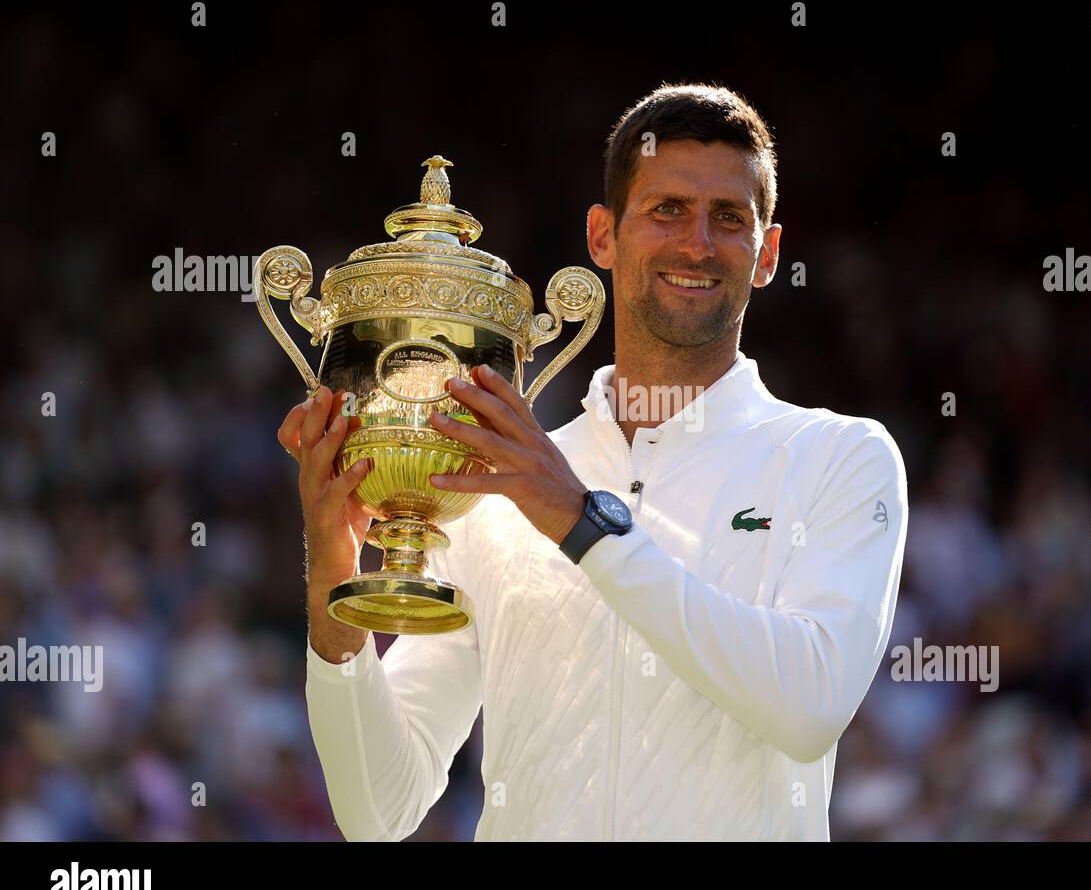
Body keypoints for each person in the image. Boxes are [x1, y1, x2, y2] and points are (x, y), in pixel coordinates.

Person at [279, 83, 909, 840]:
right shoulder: (497, 484)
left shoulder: (841, 458)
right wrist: (330, 584)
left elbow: (808, 709)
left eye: (730, 219)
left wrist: (582, 524)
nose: (697, 244)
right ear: (603, 237)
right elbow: (377, 809)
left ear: (768, 254)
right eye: (667, 209)